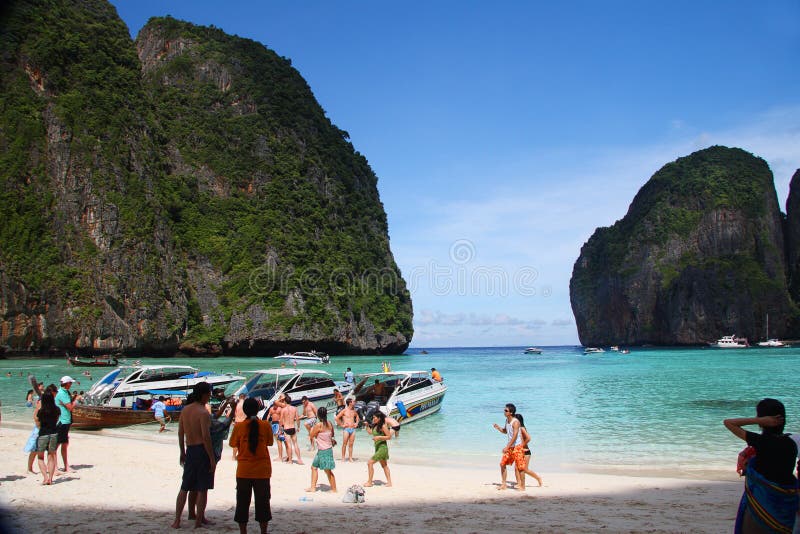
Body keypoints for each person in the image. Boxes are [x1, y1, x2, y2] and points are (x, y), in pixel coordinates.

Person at [724, 398, 799, 533]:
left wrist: (758, 420)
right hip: (785, 507)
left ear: (764, 419)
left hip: (761, 504)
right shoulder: (791, 444)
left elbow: (728, 423)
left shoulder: (761, 441)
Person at [171, 382, 216, 529]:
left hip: (190, 449)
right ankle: (198, 521)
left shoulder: (185, 410)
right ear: (204, 394)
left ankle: (177, 520)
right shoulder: (203, 413)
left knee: (185, 486)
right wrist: (211, 458)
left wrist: (182, 451)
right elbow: (206, 437)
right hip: (201, 451)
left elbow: (180, 433)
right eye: (209, 394)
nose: (209, 396)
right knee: (202, 488)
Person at [229, 398, 273, 534]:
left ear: (244, 410)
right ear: (258, 409)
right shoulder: (265, 425)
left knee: (242, 503)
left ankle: (243, 531)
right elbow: (270, 442)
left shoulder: (239, 427)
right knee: (263, 503)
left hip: (244, 470)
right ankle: (263, 531)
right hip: (262, 470)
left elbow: (232, 443)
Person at [305, 407, 337, 493]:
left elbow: (311, 436)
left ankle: (334, 489)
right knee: (314, 467)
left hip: (323, 451)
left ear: (318, 415)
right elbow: (332, 434)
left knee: (327, 471)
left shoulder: (319, 425)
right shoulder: (330, 423)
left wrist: (311, 428)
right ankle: (313, 488)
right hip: (326, 450)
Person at [493, 403, 524, 490]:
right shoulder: (507, 421)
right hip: (510, 447)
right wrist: (498, 428)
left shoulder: (515, 422)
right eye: (504, 410)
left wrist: (507, 447)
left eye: (506, 410)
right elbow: (505, 431)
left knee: (520, 467)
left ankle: (522, 485)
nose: (504, 411)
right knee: (502, 464)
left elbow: (515, 436)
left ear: (511, 412)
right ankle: (504, 485)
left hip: (517, 447)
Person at [35, 387, 60, 485]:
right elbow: (56, 420)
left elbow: (37, 420)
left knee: (40, 457)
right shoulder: (57, 409)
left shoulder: (41, 411)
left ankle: (45, 478)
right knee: (51, 456)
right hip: (54, 433)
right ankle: (50, 479)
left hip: (43, 434)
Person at [364, 411, 392, 487]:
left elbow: (389, 437)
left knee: (370, 463)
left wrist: (379, 437)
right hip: (377, 448)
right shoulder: (375, 426)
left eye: (374, 417)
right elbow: (370, 432)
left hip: (382, 448)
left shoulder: (383, 426)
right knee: (384, 465)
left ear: (379, 418)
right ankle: (389, 483)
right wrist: (367, 426)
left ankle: (370, 482)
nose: (373, 419)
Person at [514, 413, 543, 488]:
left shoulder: (522, 428)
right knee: (516, 469)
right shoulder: (516, 428)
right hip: (519, 451)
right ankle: (519, 483)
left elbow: (528, 438)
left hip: (526, 452)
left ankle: (538, 478)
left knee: (525, 469)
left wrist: (521, 446)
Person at [55, 376, 76, 473]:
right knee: (57, 445)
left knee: (64, 443)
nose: (71, 385)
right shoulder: (62, 393)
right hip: (62, 421)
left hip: (66, 420)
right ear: (67, 383)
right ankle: (55, 467)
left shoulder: (64, 392)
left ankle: (66, 466)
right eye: (70, 383)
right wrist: (77, 400)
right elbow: (70, 407)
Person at [279, 394, 303, 464]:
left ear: (285, 401)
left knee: (289, 445)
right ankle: (299, 460)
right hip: (293, 428)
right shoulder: (294, 408)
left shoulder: (283, 410)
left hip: (286, 428)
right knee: (295, 444)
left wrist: (280, 430)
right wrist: (298, 427)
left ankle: (290, 460)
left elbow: (281, 421)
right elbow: (297, 419)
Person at [335, 397, 360, 462]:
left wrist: (356, 423)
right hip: (346, 429)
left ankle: (350, 458)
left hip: (352, 429)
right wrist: (341, 425)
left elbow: (357, 417)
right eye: (353, 402)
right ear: (350, 403)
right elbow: (337, 418)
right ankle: (343, 457)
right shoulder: (344, 410)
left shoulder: (353, 411)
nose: (354, 402)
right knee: (344, 444)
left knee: (351, 444)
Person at [231, 394, 248, 459]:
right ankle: (241, 455)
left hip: (237, 423)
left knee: (236, 440)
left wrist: (233, 421)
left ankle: (233, 456)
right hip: (244, 423)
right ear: (244, 397)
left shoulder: (236, 405)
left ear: (239, 397)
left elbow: (231, 414)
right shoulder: (246, 405)